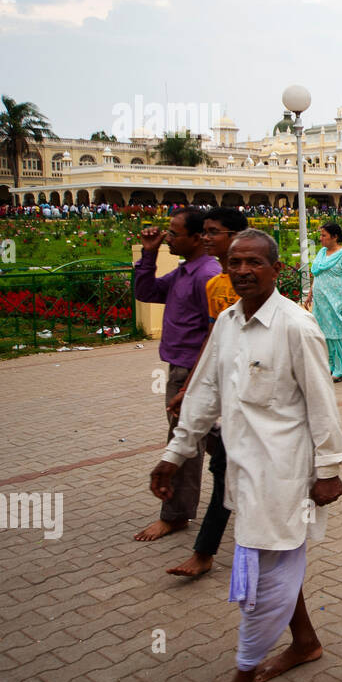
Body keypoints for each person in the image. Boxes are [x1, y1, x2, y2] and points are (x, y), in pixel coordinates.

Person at [151, 229, 342, 682]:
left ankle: (244, 668)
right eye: (235, 262)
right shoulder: (227, 323)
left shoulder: (296, 326)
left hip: (284, 476)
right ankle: (305, 642)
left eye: (254, 263)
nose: (242, 271)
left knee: (268, 576)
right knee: (267, 562)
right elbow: (203, 394)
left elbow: (323, 402)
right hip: (242, 472)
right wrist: (175, 454)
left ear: (276, 270)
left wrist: (329, 470)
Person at [164, 207, 248, 577]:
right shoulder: (216, 286)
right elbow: (213, 342)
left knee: (228, 466)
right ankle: (205, 551)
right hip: (229, 392)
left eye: (216, 231)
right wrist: (190, 386)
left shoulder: (253, 276)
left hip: (259, 399)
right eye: (206, 231)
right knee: (223, 466)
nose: (208, 237)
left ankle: (209, 550)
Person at [133, 208, 220, 542]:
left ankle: (176, 514)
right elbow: (148, 293)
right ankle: (263, 479)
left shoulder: (206, 275)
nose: (167, 236)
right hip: (181, 366)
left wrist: (191, 381)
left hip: (191, 370)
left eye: (174, 232)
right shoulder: (186, 272)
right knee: (212, 437)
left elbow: (214, 333)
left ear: (197, 238)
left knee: (183, 439)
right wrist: (149, 255)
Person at [304, 222, 342, 383]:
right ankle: (330, 366)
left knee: (341, 335)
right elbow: (317, 274)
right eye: (320, 235)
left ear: (335, 237)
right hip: (321, 304)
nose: (321, 239)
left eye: (324, 235)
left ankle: (340, 370)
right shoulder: (322, 253)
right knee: (326, 335)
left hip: (338, 303)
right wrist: (311, 293)